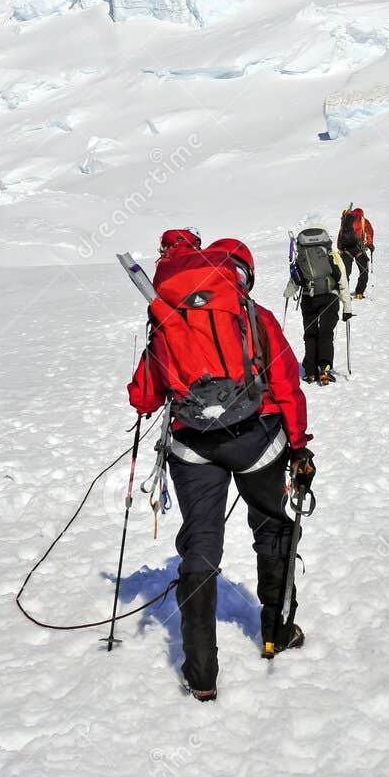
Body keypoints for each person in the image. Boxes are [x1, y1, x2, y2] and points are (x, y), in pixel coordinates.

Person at [127, 237, 316, 701]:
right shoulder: (254, 315)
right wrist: (299, 447)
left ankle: (201, 675)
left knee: (201, 542)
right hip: (257, 442)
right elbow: (288, 387)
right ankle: (275, 634)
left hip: (192, 447)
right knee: (273, 528)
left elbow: (143, 396)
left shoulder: (170, 318)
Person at [284, 224, 351, 385]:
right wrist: (347, 307)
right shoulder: (331, 254)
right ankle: (325, 367)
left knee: (310, 333)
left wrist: (287, 294)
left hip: (309, 297)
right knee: (326, 332)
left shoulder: (302, 254)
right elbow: (342, 279)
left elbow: (296, 278)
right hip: (330, 296)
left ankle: (310, 372)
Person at [337, 206, 375, 299]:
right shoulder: (363, 220)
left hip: (346, 249)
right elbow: (370, 232)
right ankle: (359, 293)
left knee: (345, 272)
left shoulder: (346, 220)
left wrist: (340, 248)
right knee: (364, 271)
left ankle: (344, 293)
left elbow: (340, 234)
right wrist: (370, 245)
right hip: (359, 249)